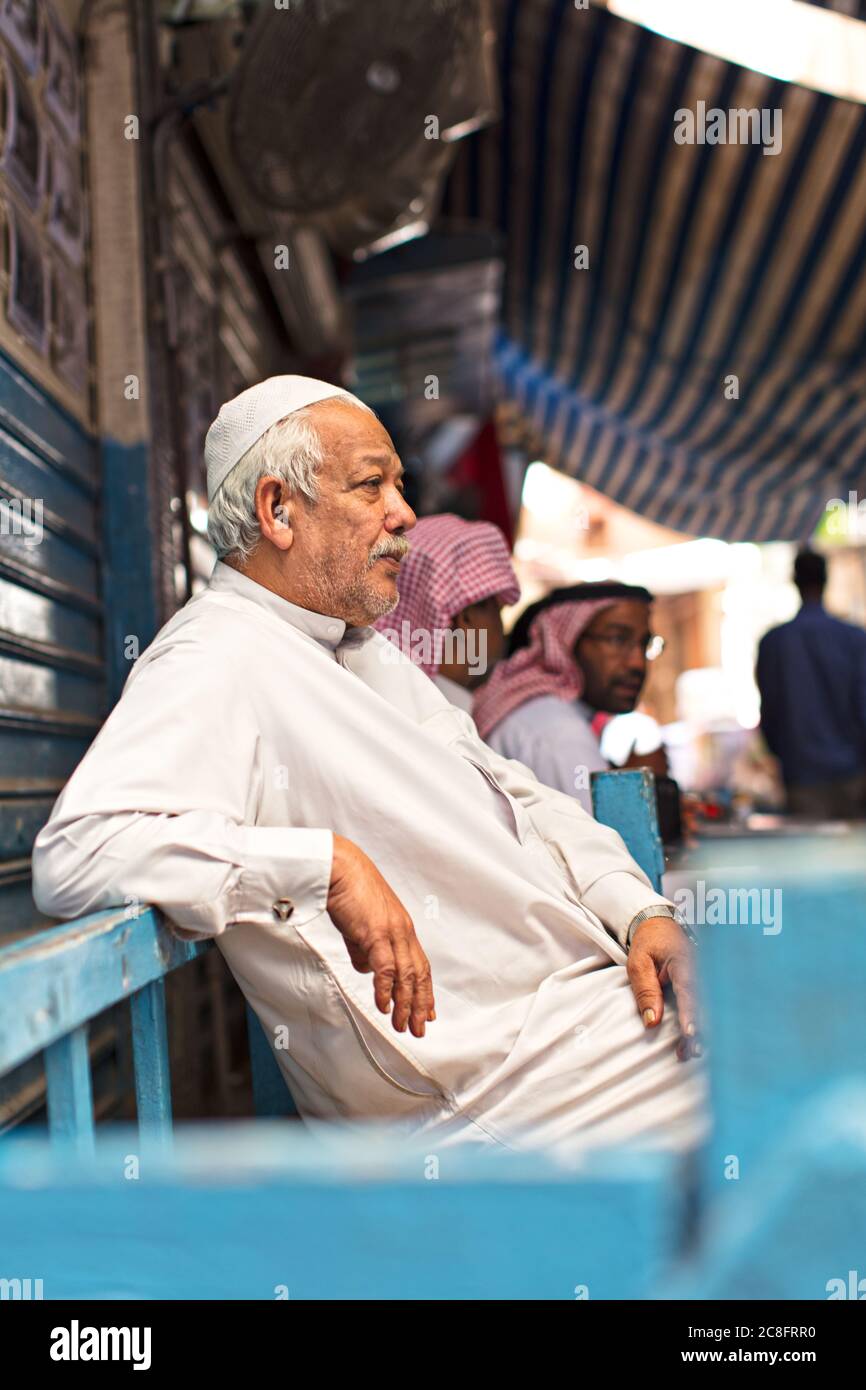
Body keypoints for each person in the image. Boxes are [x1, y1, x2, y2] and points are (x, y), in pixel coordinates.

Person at [32, 376, 705, 1159]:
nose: (404, 514)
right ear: (278, 510)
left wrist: (638, 910)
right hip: (516, 1092)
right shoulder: (215, 654)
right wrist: (325, 867)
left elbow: (517, 795)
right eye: (371, 485)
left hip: (598, 1023)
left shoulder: (360, 648)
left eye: (399, 484)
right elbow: (77, 853)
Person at [474, 583, 667, 814]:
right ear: (565, 640)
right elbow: (600, 844)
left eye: (644, 644)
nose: (637, 663)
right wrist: (640, 799)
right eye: (617, 639)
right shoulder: (558, 732)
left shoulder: (538, 715)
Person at [756, 549, 866, 819]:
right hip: (853, 773)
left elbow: (769, 713)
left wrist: (783, 756)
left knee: (813, 857)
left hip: (802, 776)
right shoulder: (853, 638)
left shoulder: (774, 643)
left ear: (794, 581)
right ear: (826, 580)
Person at [373, 512, 520, 713]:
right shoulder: (440, 716)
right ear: (467, 617)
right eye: (498, 611)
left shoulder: (376, 686)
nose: (501, 629)